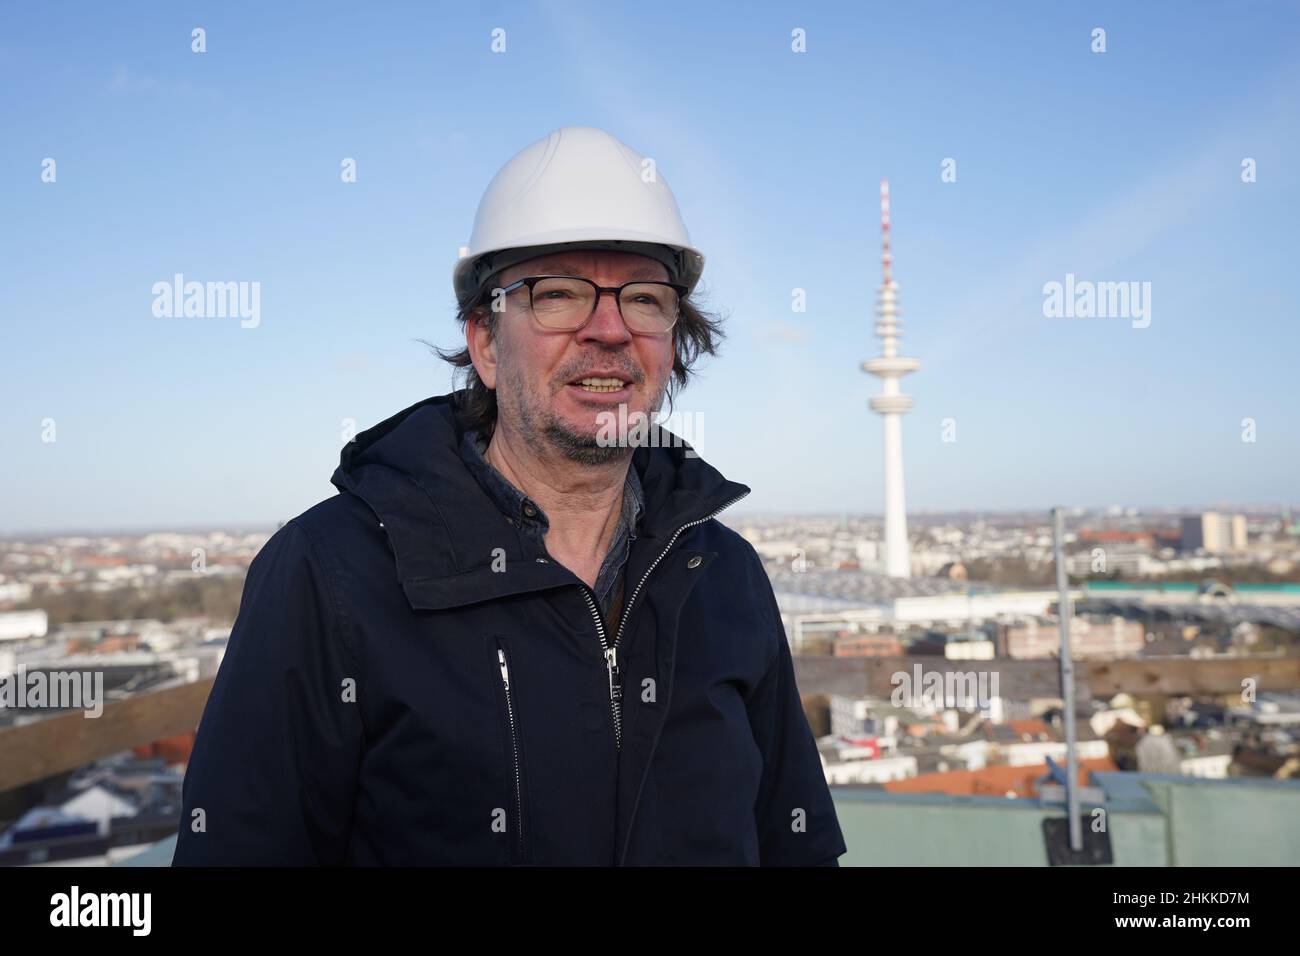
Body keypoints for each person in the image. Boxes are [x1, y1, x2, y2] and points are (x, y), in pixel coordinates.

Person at [172, 125, 847, 866]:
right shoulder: (331, 575)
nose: (611, 329)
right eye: (557, 295)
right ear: (486, 345)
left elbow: (795, 848)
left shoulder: (723, 575)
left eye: (646, 299)